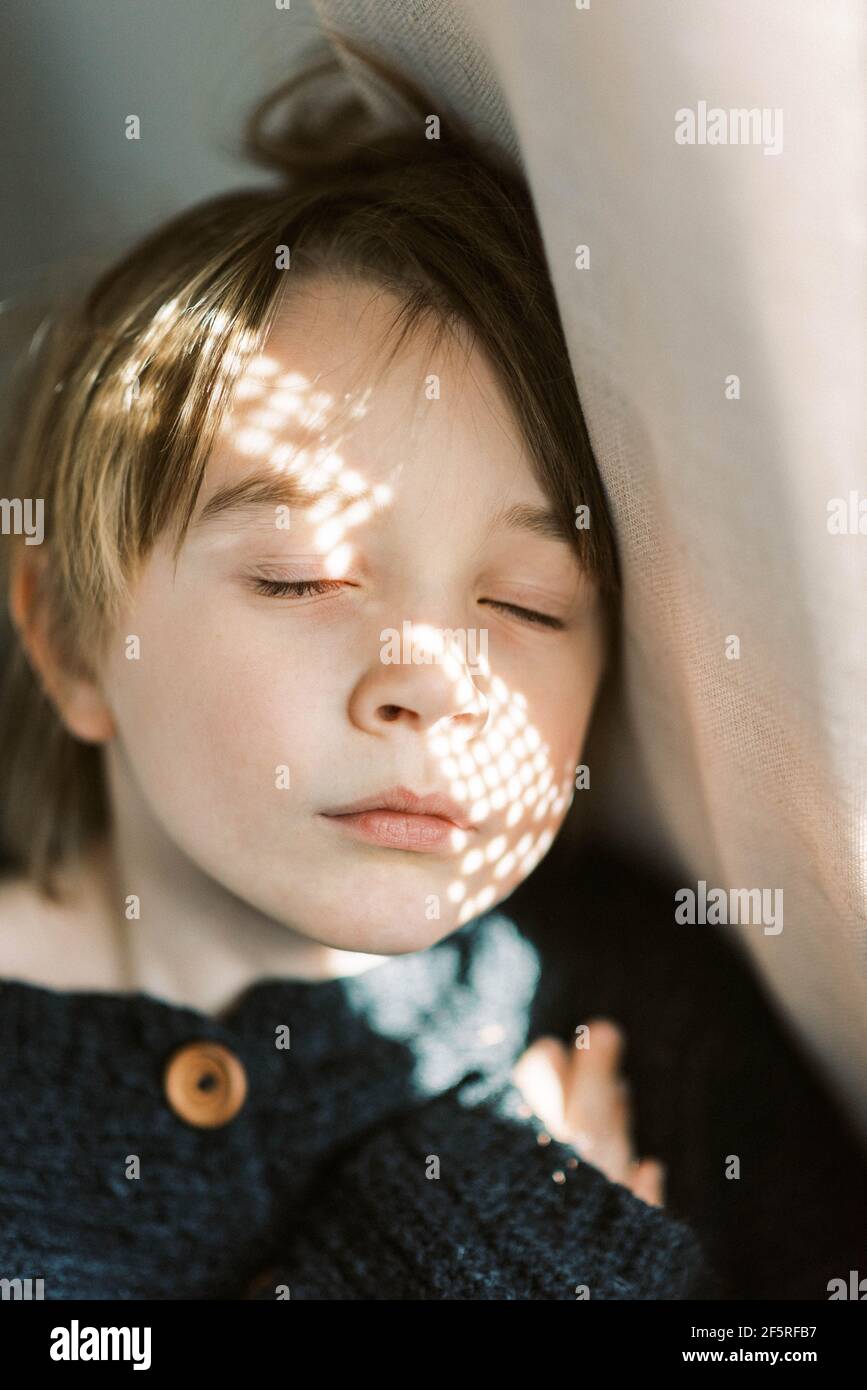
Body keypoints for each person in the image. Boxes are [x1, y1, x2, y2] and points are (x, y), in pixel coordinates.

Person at [0, 34, 716, 1299]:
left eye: (527, 603)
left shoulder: (648, 1010)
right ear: (68, 636)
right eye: (302, 579)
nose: (431, 679)